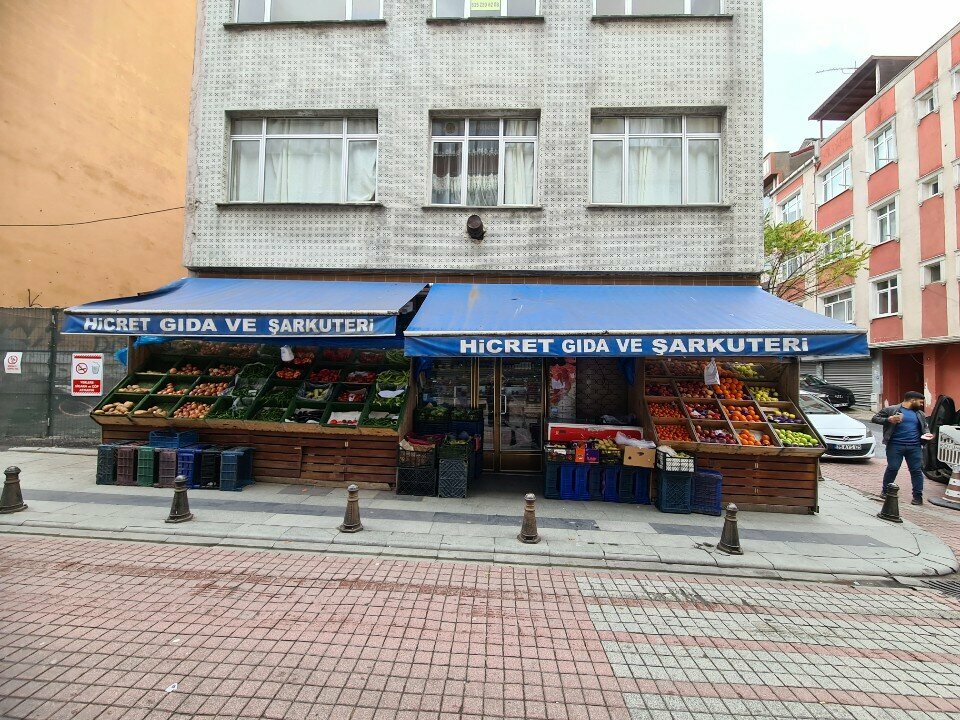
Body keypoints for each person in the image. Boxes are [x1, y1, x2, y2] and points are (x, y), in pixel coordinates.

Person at [872, 392, 933, 505]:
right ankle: (885, 491)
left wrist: (927, 434)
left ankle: (917, 497)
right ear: (912, 400)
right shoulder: (892, 409)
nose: (921, 405)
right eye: (920, 402)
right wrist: (888, 419)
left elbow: (925, 427)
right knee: (893, 468)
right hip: (895, 446)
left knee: (916, 471)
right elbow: (875, 418)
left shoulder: (920, 414)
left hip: (914, 447)